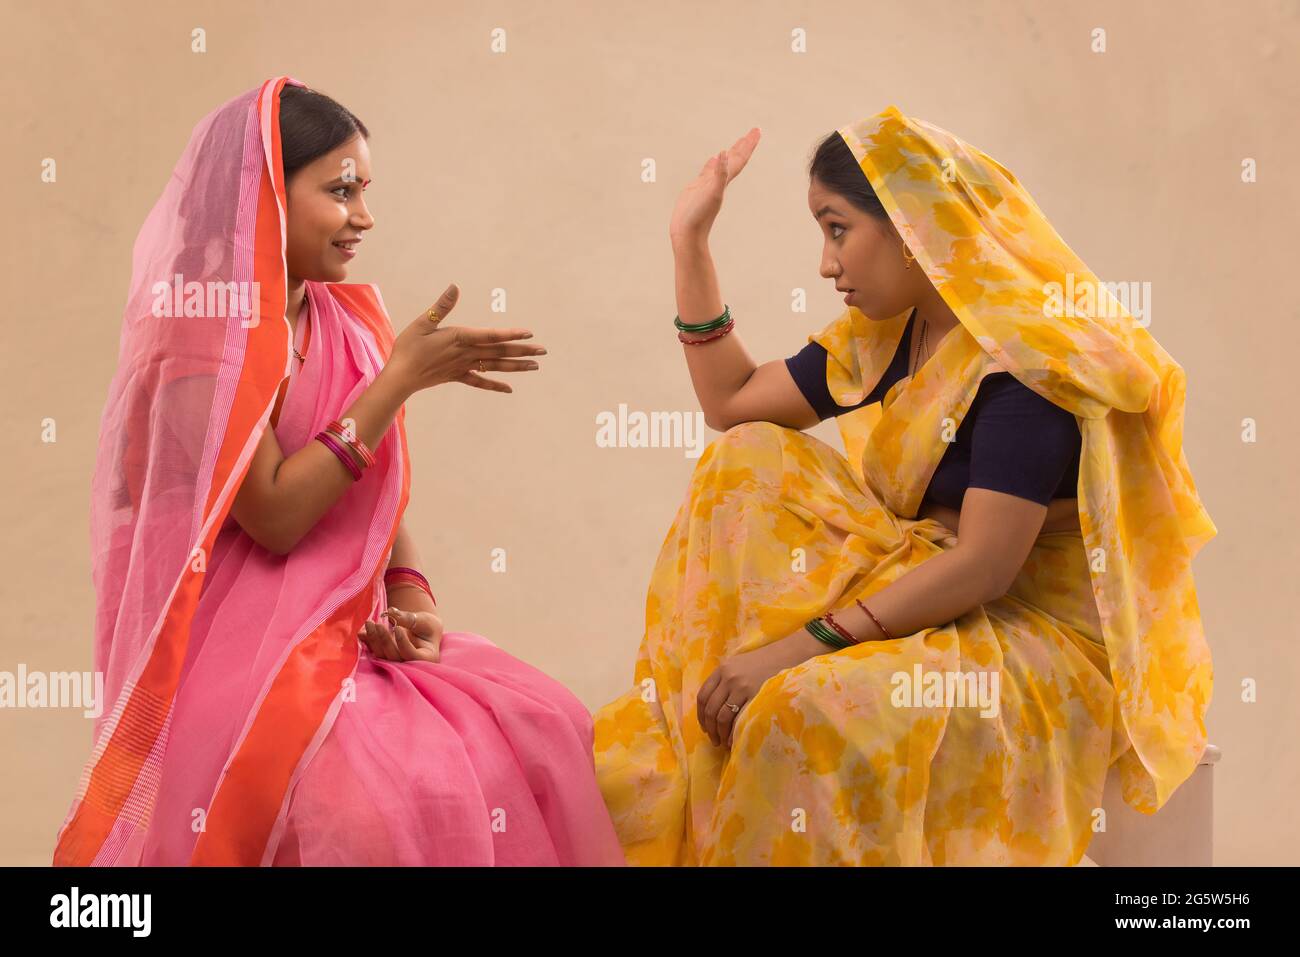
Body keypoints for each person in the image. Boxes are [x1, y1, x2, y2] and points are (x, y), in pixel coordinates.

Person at [592, 107, 1217, 866]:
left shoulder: (1026, 362)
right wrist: (690, 243)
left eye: (837, 228)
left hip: (1028, 636)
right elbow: (732, 404)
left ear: (913, 225)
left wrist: (797, 646)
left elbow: (986, 566)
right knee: (746, 461)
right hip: (918, 594)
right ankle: (699, 753)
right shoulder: (898, 336)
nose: (827, 264)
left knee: (797, 707)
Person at [52, 76, 624, 866]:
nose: (365, 215)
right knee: (367, 805)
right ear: (265, 195)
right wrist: (396, 382)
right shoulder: (196, 335)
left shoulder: (342, 317)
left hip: (345, 634)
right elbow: (280, 518)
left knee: (542, 722)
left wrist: (410, 599)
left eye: (365, 190)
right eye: (341, 190)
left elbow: (378, 504)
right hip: (229, 657)